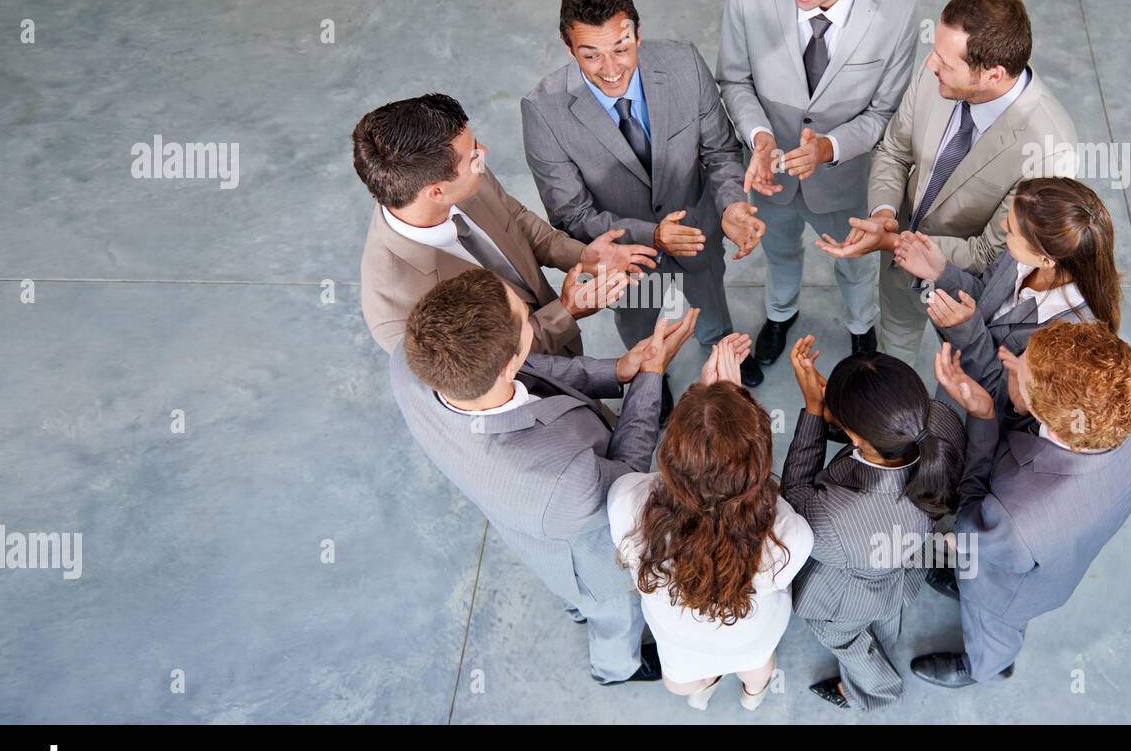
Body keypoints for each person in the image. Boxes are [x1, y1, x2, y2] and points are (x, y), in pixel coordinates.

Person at [390, 266, 700, 685]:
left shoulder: (411, 363)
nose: (533, 323)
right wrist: (650, 377)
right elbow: (626, 474)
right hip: (591, 560)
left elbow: (531, 370)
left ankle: (574, 605)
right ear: (506, 365)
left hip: (527, 527)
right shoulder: (563, 482)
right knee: (613, 614)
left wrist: (620, 370)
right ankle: (614, 669)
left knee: (567, 591)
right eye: (525, 323)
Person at [522, 0, 767, 392]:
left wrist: (729, 204)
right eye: (591, 55)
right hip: (625, 258)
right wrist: (654, 237)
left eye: (622, 47)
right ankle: (651, 377)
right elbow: (571, 214)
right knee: (638, 320)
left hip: (699, 230)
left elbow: (721, 151)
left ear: (638, 31)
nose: (611, 69)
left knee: (710, 298)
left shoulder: (684, 63)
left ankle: (718, 345)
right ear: (568, 47)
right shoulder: (543, 110)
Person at [818, 0, 1078, 366]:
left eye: (945, 61)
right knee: (896, 348)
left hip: (968, 295)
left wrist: (895, 244)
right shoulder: (936, 78)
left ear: (993, 75)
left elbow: (990, 253)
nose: (929, 65)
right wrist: (884, 217)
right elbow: (893, 149)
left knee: (958, 381)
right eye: (934, 52)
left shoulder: (1050, 152)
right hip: (900, 267)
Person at [913, 326, 1131, 687]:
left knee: (991, 627)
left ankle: (986, 667)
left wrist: (982, 417)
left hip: (1009, 589)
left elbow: (969, 525)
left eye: (1019, 374)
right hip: (1075, 535)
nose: (1013, 365)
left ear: (1051, 424)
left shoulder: (1018, 521)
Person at [716, 0, 920, 364]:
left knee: (855, 268)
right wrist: (760, 138)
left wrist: (829, 147)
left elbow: (883, 115)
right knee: (781, 252)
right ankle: (781, 312)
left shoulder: (899, 10)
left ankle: (860, 325)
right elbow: (734, 79)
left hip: (846, 178)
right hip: (767, 175)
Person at [356, 93, 656, 355]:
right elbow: (486, 371)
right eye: (473, 155)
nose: (483, 154)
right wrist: (565, 313)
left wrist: (581, 256)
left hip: (567, 353)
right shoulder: (398, 310)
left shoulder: (468, 177)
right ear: (436, 191)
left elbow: (517, 220)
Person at [608, 337, 812, 710]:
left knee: (680, 683)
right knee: (758, 666)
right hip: (751, 632)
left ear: (670, 454)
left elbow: (668, 481)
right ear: (759, 462)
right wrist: (727, 400)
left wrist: (716, 401)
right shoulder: (789, 534)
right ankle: (753, 697)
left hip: (679, 636)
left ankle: (704, 689)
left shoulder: (628, 504)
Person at [783, 337, 965, 711]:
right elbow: (881, 441)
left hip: (851, 594)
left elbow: (795, 497)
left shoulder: (835, 518)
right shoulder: (939, 422)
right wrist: (841, 415)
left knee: (848, 640)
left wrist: (815, 410)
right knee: (887, 617)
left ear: (854, 436)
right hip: (909, 558)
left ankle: (873, 692)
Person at [893, 176, 1120, 410]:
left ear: (1045, 259)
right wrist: (942, 273)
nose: (1002, 226)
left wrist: (967, 330)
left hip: (979, 415)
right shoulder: (1022, 257)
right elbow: (986, 298)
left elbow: (1008, 399)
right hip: (957, 380)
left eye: (1011, 230)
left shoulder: (1071, 335)